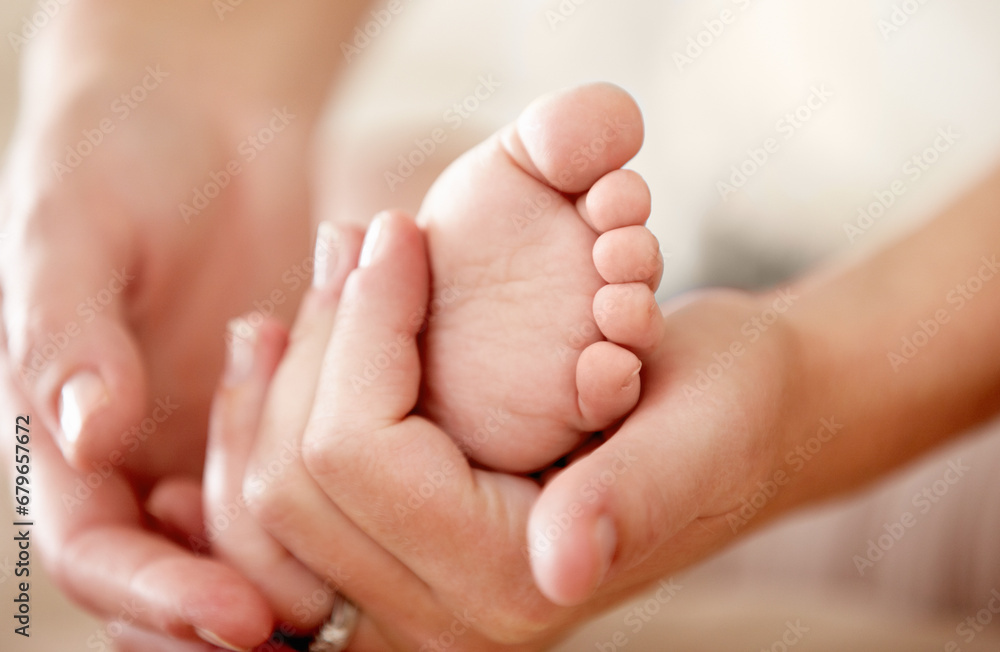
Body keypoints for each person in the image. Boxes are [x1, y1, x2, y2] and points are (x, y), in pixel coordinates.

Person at [2, 1, 1000, 650]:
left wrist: (826, 379)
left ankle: (416, 429)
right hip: (656, 135)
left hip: (929, 269)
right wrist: (158, 72)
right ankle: (393, 415)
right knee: (369, 209)